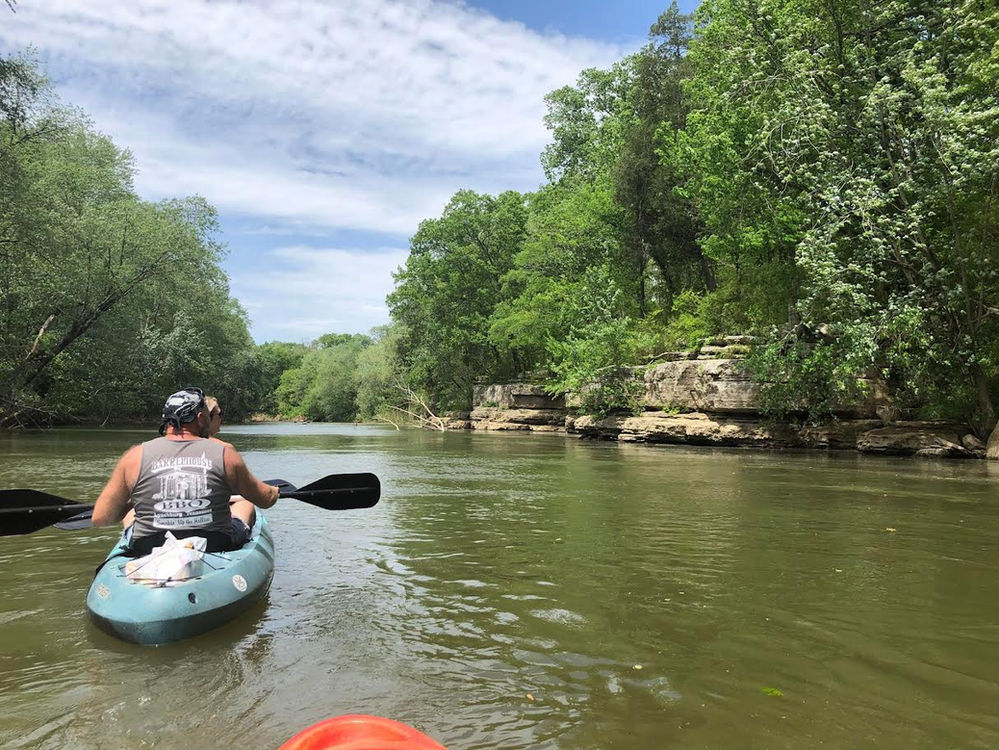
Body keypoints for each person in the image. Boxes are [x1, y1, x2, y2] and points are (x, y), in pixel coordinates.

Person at [92, 387, 279, 555]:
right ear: (200, 418)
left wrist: (136, 501)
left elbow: (101, 517)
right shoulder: (226, 454)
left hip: (149, 545)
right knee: (245, 503)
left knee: (132, 512)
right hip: (213, 543)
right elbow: (265, 499)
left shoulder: (133, 456)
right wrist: (274, 491)